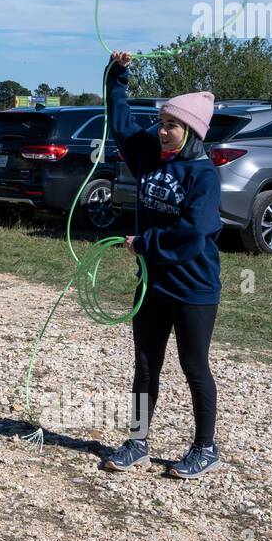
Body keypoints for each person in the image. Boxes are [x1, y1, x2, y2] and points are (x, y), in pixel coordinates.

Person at [103, 50, 223, 479]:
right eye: (161, 123)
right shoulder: (151, 157)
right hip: (152, 284)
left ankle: (205, 447)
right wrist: (119, 76)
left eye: (171, 125)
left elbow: (193, 235)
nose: (161, 131)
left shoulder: (204, 177)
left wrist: (144, 243)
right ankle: (137, 440)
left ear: (190, 131)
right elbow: (120, 123)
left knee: (194, 365)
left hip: (193, 288)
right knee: (146, 364)